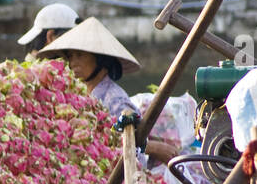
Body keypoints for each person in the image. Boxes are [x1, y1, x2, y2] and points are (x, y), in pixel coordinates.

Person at [37, 17, 181, 165]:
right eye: (70, 56)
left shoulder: (115, 99)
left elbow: (134, 146)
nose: (73, 63)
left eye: (79, 56)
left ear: (100, 60)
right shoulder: (79, 96)